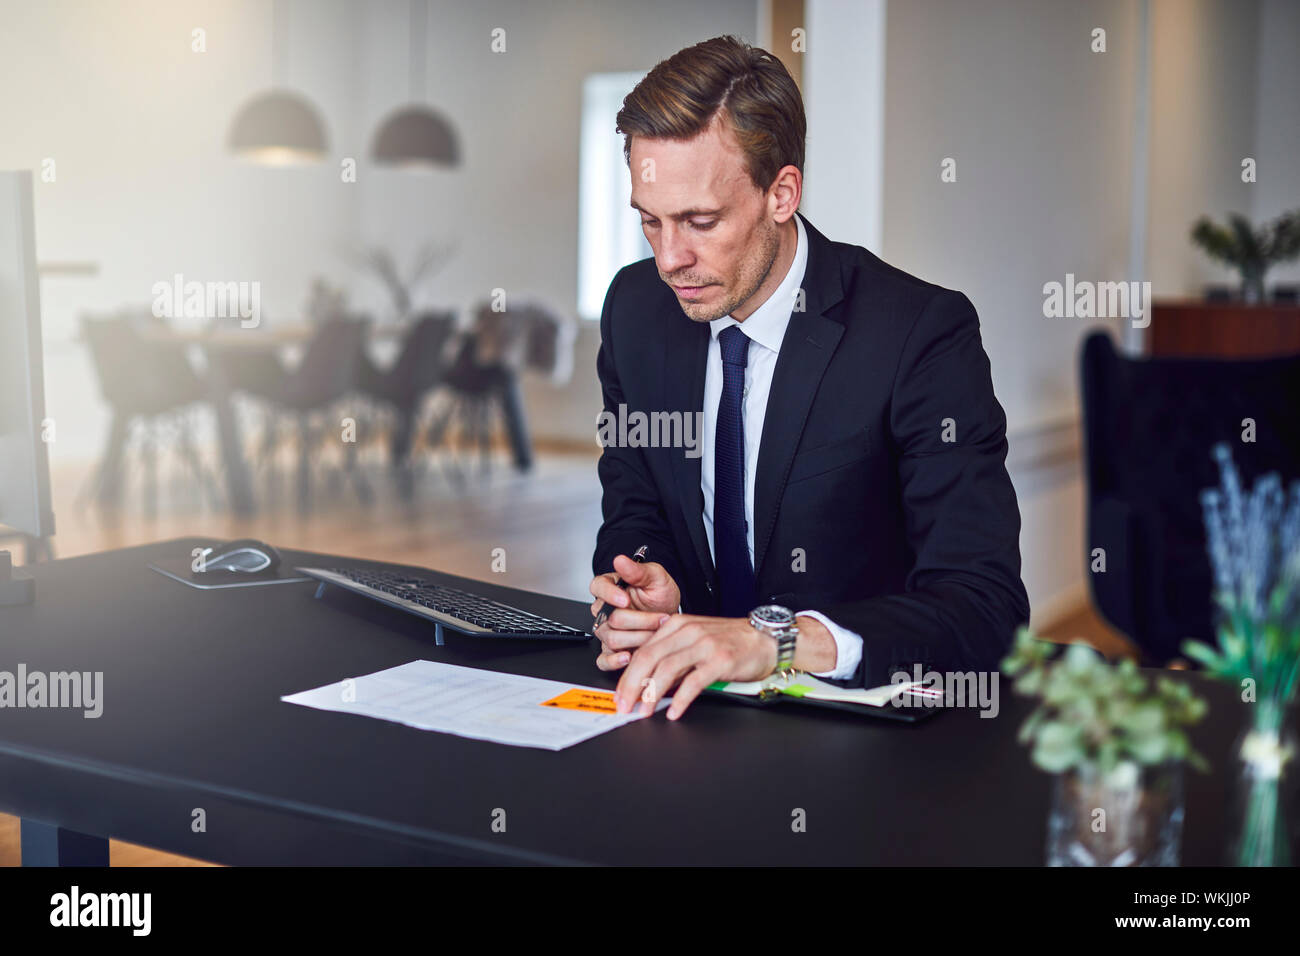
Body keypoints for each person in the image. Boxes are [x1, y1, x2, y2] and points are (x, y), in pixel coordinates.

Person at [590, 35, 1029, 720]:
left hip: (860, 742)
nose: (670, 258)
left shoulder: (919, 334)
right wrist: (650, 582)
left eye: (700, 221)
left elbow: (983, 607)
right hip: (686, 719)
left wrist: (780, 642)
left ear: (781, 194)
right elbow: (635, 506)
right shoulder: (634, 311)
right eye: (650, 222)